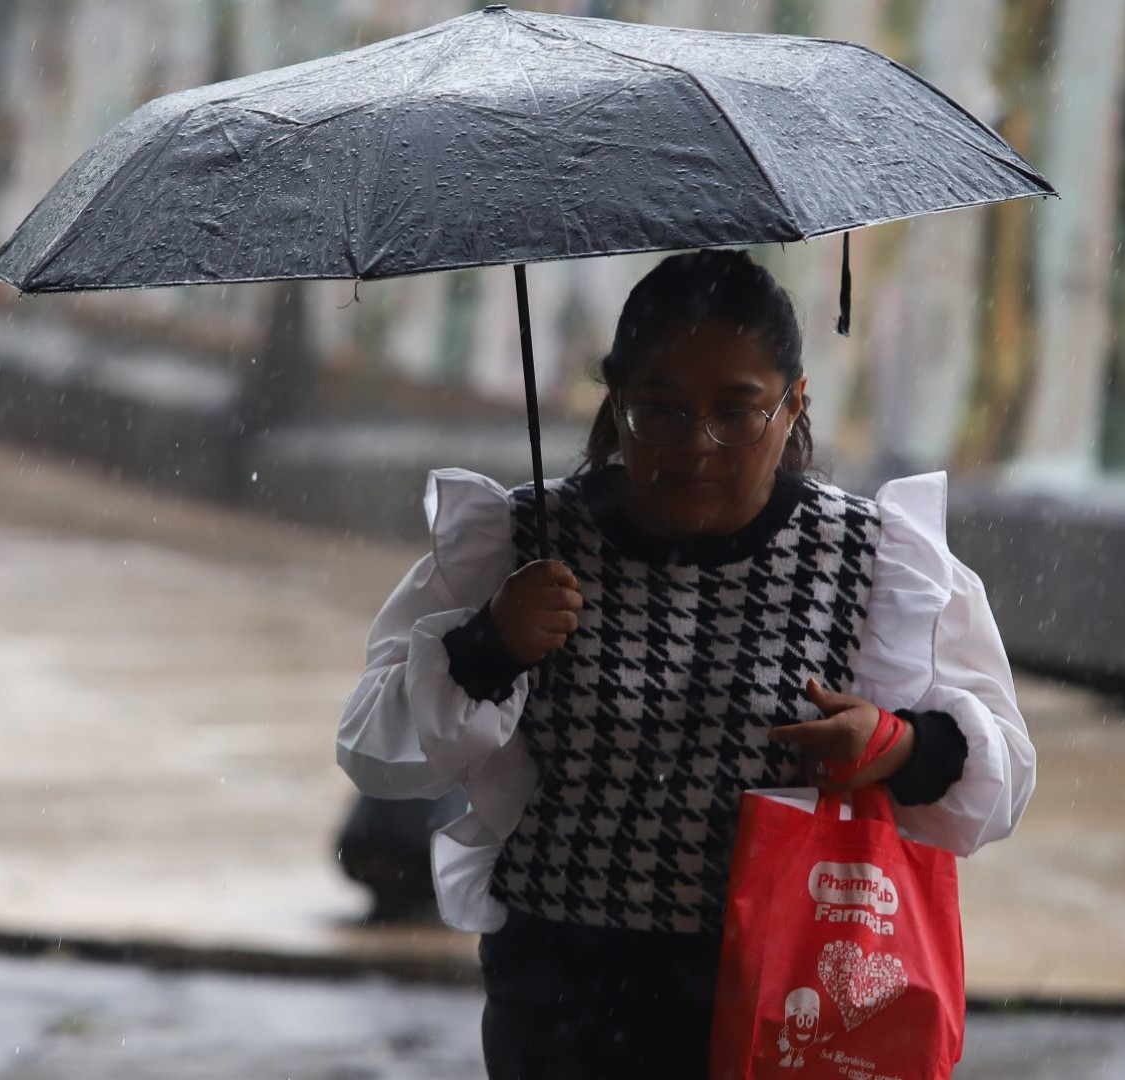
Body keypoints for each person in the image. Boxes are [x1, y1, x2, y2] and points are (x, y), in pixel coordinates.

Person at [338, 249, 1035, 1079]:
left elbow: (1003, 779)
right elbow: (373, 749)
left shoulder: (881, 564)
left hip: (785, 1004)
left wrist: (899, 748)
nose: (697, 444)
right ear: (616, 400)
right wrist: (492, 643)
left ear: (793, 405)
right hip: (561, 1008)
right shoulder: (516, 551)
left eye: (737, 411)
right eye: (660, 411)